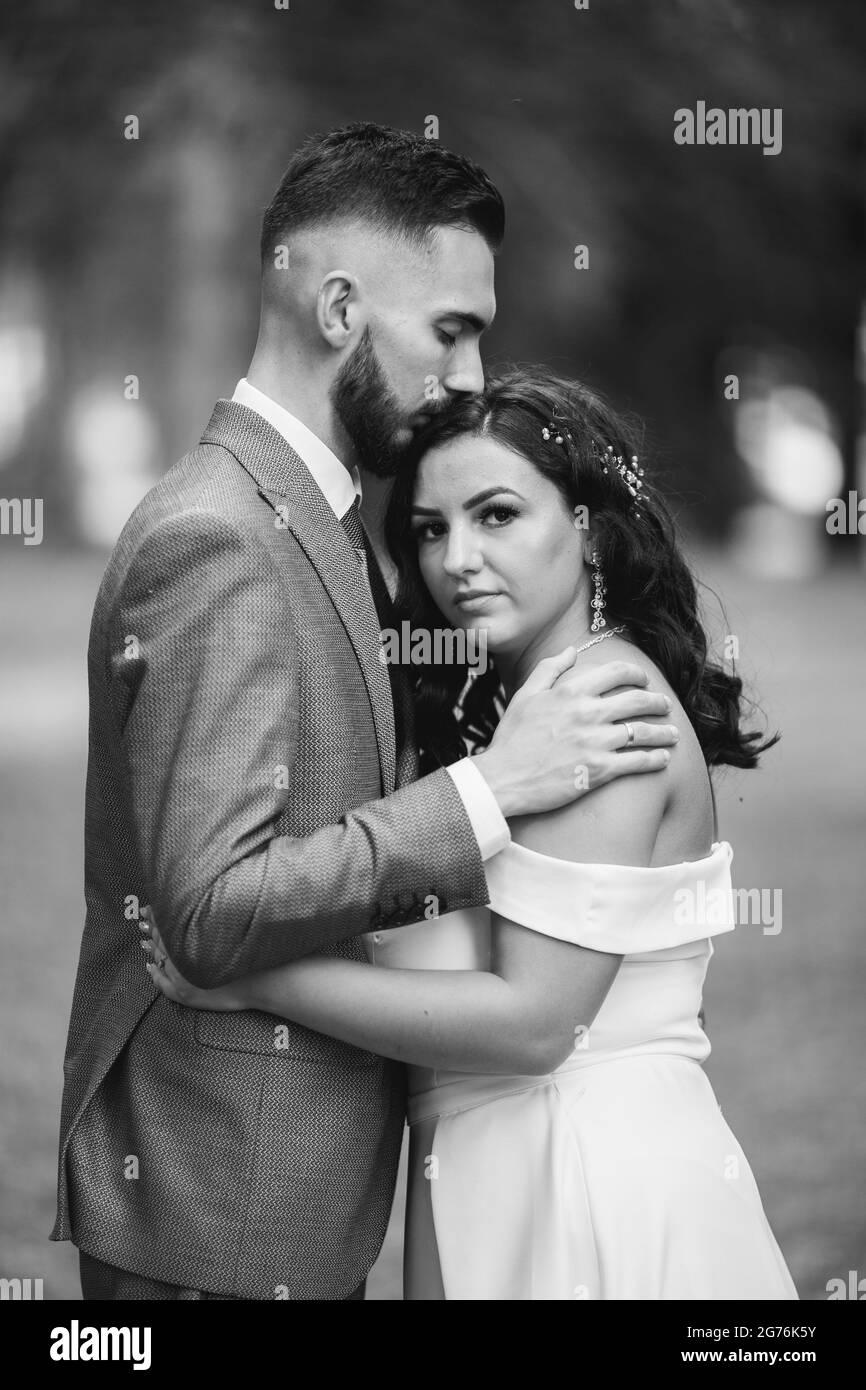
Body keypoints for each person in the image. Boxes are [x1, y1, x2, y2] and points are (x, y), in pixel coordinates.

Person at [52, 127, 677, 1302]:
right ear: (339, 305)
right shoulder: (219, 538)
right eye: (451, 328)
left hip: (282, 1199)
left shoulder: (323, 515)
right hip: (213, 1207)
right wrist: (491, 789)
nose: (471, 374)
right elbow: (211, 907)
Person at [146, 367, 798, 1300]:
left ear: (586, 527)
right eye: (429, 529)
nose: (456, 559)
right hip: (493, 1182)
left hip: (587, 1190)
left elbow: (536, 1024)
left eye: (497, 515)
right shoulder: (519, 716)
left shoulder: (602, 709)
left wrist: (248, 974)